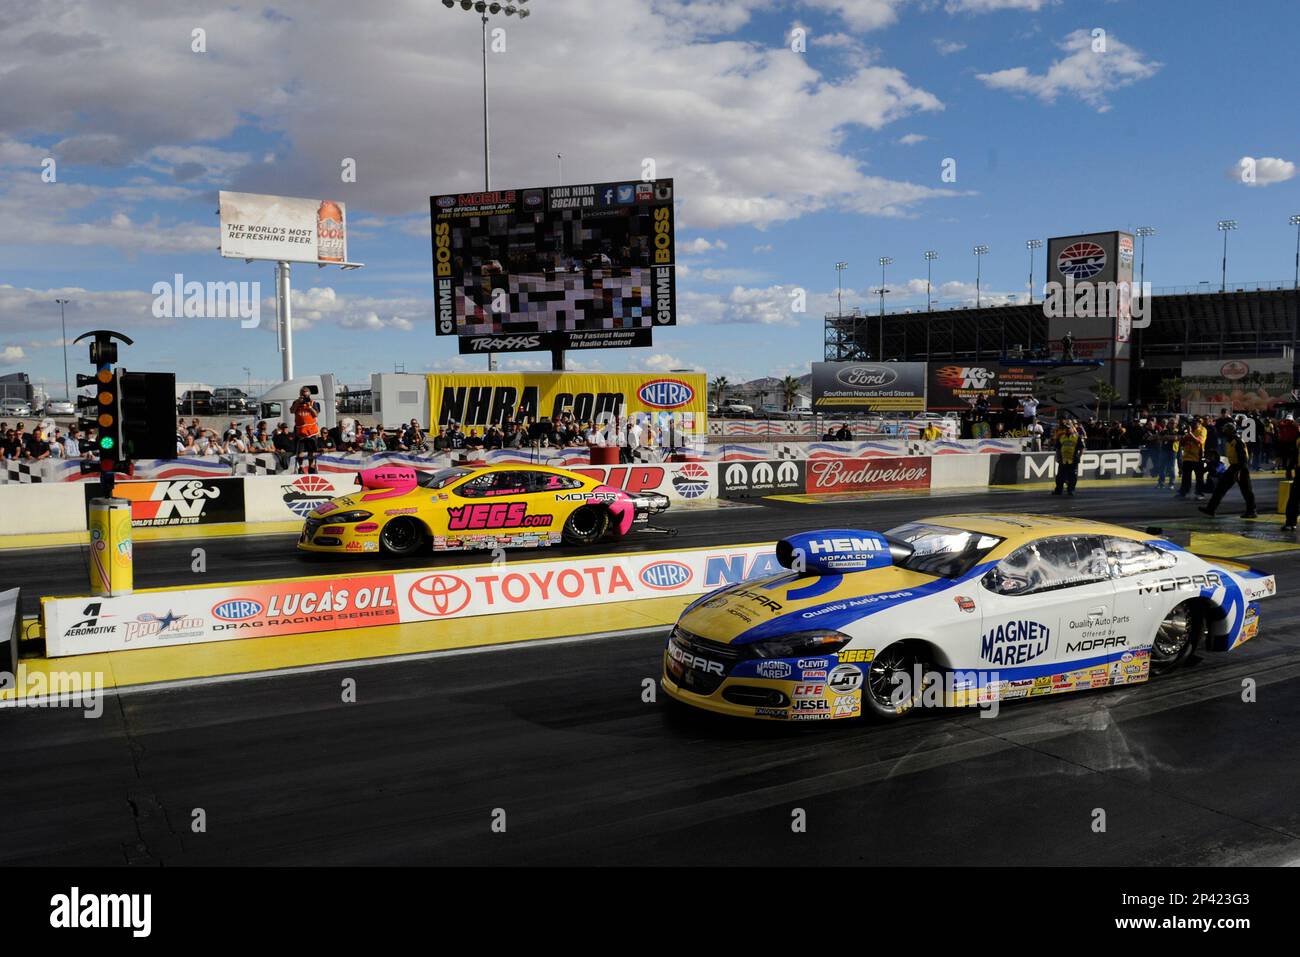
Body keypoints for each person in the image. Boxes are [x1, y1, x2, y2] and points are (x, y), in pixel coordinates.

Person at [1200, 423, 1257, 518]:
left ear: (1230, 431)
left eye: (1226, 430)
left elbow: (1243, 458)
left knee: (1247, 491)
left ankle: (1252, 511)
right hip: (1233, 467)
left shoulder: (1237, 441)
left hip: (1241, 468)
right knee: (1220, 487)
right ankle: (1210, 509)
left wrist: (1239, 471)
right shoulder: (1229, 441)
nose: (1224, 432)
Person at [290, 386, 321, 474]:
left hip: (311, 432)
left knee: (311, 451)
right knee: (300, 452)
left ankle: (311, 467)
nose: (305, 397)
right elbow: (292, 411)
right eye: (303, 395)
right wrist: (298, 403)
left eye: (306, 395)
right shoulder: (296, 402)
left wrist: (309, 406)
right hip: (300, 432)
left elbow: (315, 414)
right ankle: (301, 467)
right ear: (300, 395)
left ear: (309, 394)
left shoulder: (312, 402)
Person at [1052, 419, 1085, 496]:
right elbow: (1058, 448)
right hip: (1063, 460)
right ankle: (1058, 490)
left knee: (1072, 477)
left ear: (1072, 428)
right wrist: (1058, 458)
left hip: (1073, 460)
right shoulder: (1061, 437)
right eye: (1066, 428)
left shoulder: (1077, 437)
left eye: (1068, 428)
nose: (1067, 429)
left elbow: (1082, 448)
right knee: (1060, 476)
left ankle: (1071, 490)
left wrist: (1079, 457)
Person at [1177, 418, 1208, 500]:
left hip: (1197, 457)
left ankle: (1199, 493)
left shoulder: (1202, 430)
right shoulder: (1188, 430)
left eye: (1195, 423)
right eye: (1192, 423)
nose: (1193, 424)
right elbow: (1182, 443)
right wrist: (1183, 437)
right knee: (1186, 477)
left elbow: (1200, 441)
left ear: (1199, 423)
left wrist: (1190, 434)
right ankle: (1184, 492)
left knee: (1199, 477)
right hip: (1187, 457)